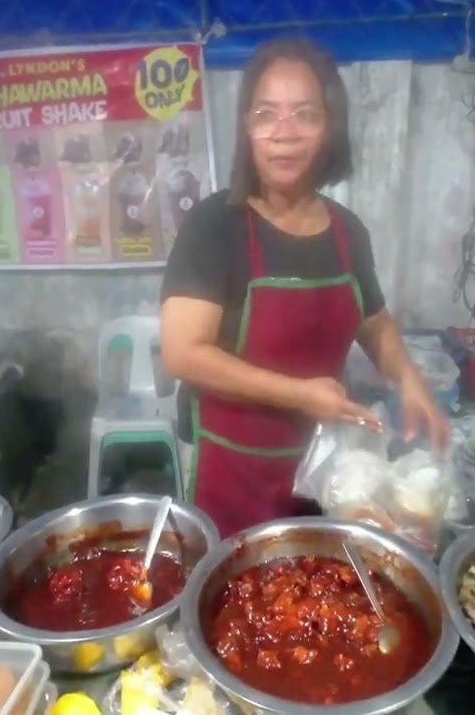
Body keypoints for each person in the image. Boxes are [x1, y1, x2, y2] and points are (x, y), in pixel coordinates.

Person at [158, 37, 450, 539]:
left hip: (321, 465)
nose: (283, 134)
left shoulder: (347, 231)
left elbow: (374, 322)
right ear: (247, 128)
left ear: (328, 128)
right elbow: (183, 354)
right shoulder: (216, 225)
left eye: (305, 115)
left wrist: (410, 381)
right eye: (266, 114)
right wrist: (300, 395)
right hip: (228, 467)